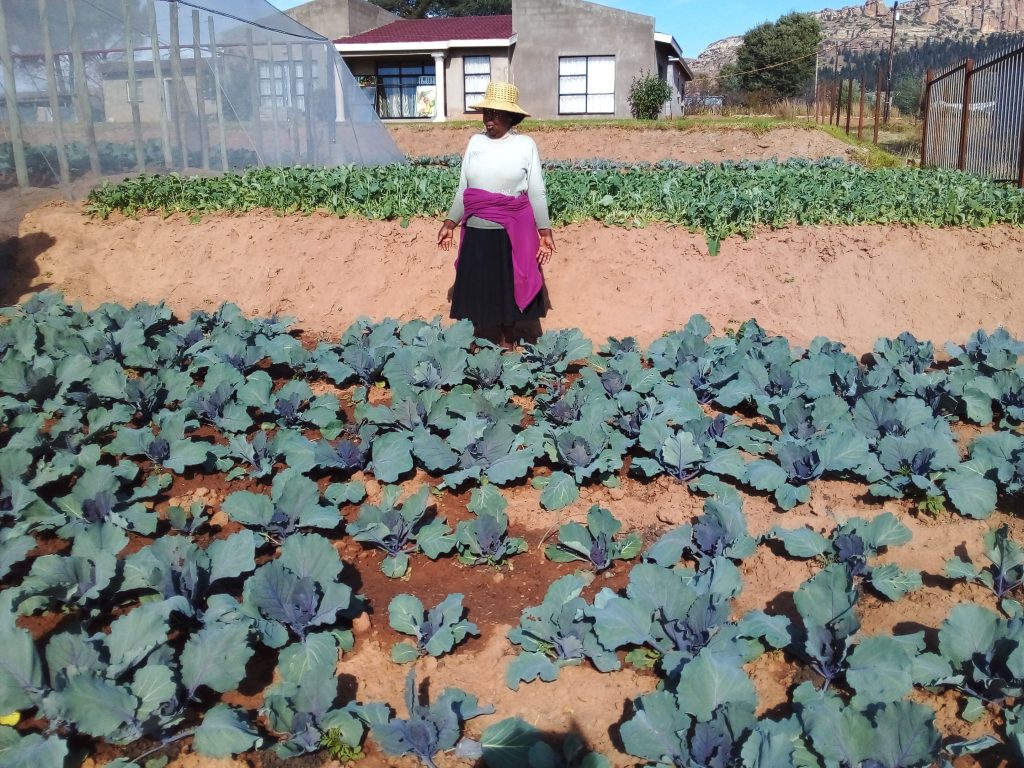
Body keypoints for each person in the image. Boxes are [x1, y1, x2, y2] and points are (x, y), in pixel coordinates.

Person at [437, 81, 555, 348]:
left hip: (511, 231)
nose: (490, 119)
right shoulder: (475, 142)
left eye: (497, 114)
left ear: (511, 117)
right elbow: (464, 188)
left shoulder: (525, 145)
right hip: (478, 230)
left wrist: (545, 231)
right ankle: (481, 338)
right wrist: (450, 222)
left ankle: (508, 338)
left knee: (509, 286)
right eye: (487, 113)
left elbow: (536, 191)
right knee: (480, 287)